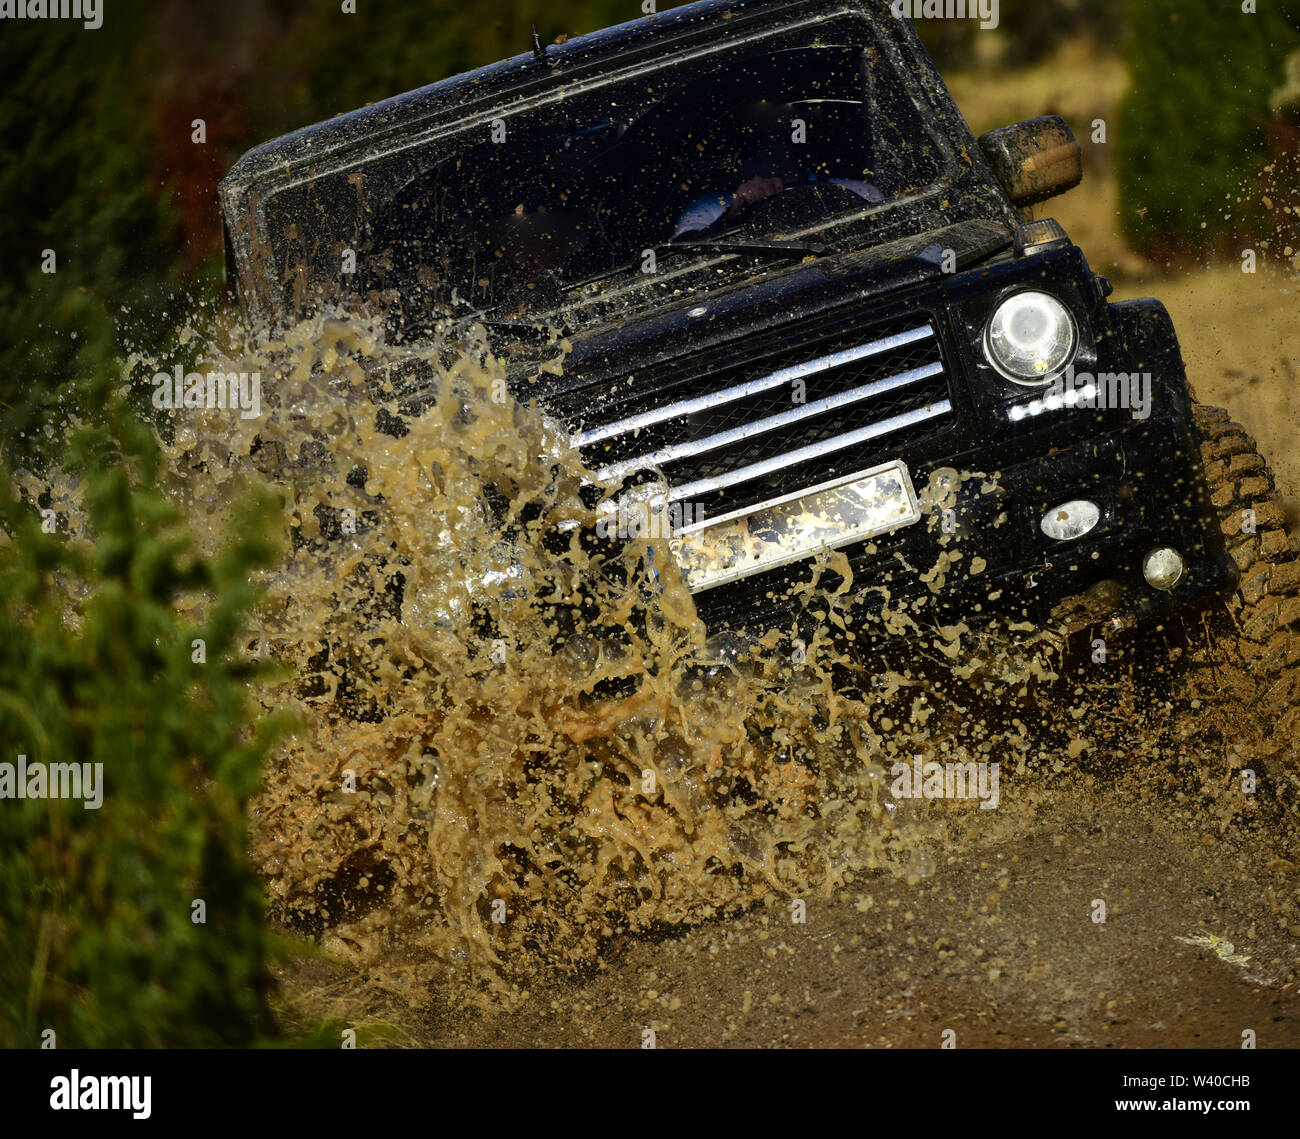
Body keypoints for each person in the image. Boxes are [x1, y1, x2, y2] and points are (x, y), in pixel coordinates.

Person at [672, 167, 884, 239]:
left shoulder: (847, 190)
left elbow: (883, 223)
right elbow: (685, 253)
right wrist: (736, 211)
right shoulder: (713, 206)